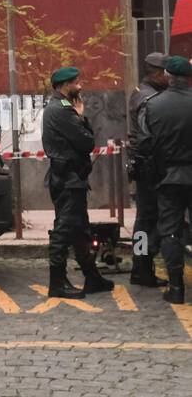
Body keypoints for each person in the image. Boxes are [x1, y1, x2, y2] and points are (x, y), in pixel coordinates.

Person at [41, 66, 113, 299]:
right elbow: (86, 142)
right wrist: (81, 116)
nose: (80, 86)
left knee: (80, 230)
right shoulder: (62, 110)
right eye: (75, 83)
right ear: (64, 86)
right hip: (68, 180)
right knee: (63, 230)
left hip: (72, 179)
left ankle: (92, 277)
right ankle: (57, 284)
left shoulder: (59, 108)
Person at [137, 55, 192, 304]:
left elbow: (144, 143)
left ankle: (176, 287)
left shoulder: (151, 105)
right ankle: (142, 268)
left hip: (166, 177)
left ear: (168, 76)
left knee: (169, 230)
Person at [128, 53, 170, 287]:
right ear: (157, 73)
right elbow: (146, 138)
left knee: (145, 219)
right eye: (166, 73)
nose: (169, 77)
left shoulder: (141, 91)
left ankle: (141, 264)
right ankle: (142, 265)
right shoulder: (148, 98)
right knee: (147, 220)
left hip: (144, 166)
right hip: (149, 168)